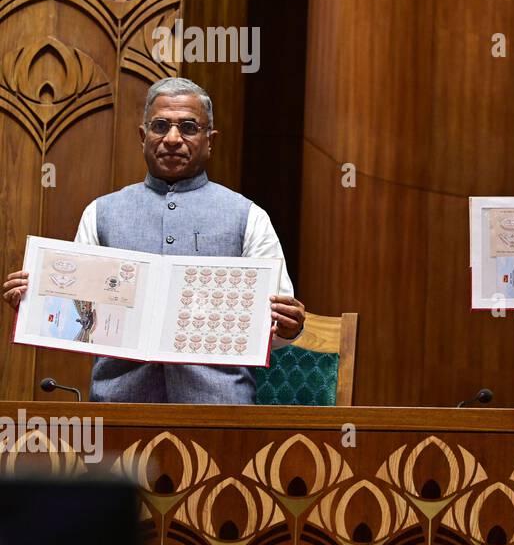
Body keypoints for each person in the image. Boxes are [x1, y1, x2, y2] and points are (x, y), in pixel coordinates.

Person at [3, 77, 305, 404]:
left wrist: (288, 327)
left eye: (189, 127)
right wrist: (34, 300)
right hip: (119, 414)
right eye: (161, 125)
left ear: (210, 140)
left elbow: (273, 333)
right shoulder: (101, 213)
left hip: (220, 417)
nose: (173, 138)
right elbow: (76, 317)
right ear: (143, 136)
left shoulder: (249, 217)